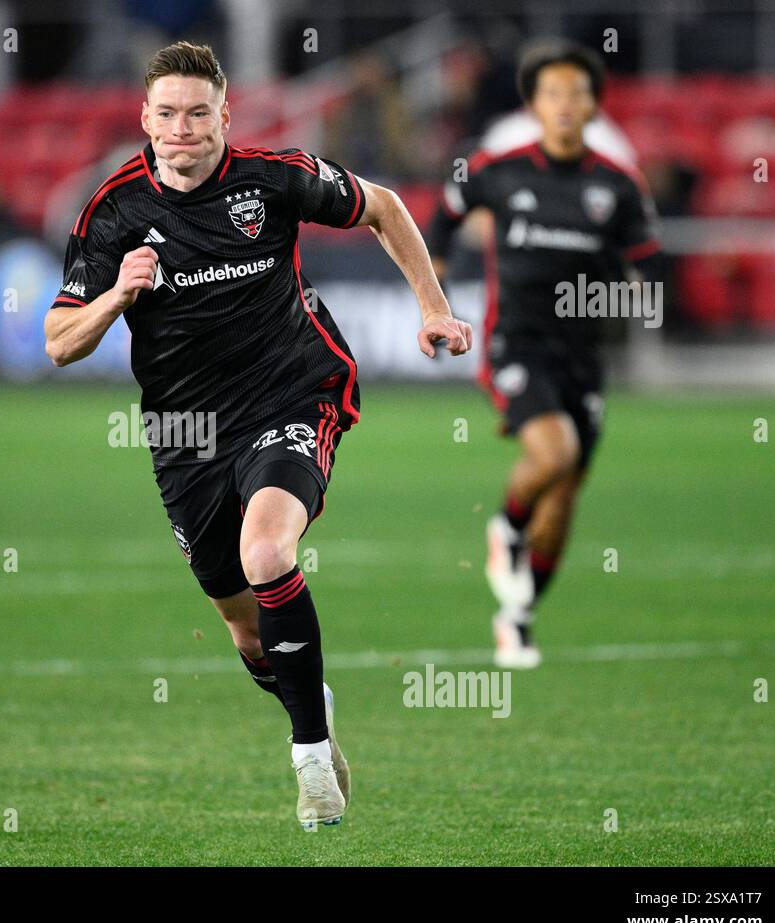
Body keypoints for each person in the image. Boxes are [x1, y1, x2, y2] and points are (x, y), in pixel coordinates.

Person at [44, 41, 471, 828]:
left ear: (224, 117)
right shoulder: (111, 211)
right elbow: (60, 343)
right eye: (167, 114)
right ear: (145, 119)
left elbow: (384, 206)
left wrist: (434, 307)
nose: (182, 129)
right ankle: (312, 704)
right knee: (247, 633)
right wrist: (116, 295)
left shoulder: (271, 178)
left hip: (292, 392)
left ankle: (310, 757)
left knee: (268, 552)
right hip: (185, 430)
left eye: (198, 114)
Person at [425, 40, 663, 668]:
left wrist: (625, 300)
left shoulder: (618, 186)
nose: (564, 104)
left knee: (564, 494)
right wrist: (435, 298)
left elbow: (650, 271)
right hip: (516, 343)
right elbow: (444, 218)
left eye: (576, 94)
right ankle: (505, 526)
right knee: (554, 453)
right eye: (552, 93)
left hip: (583, 358)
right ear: (534, 104)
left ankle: (519, 613)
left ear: (593, 108)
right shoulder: (498, 169)